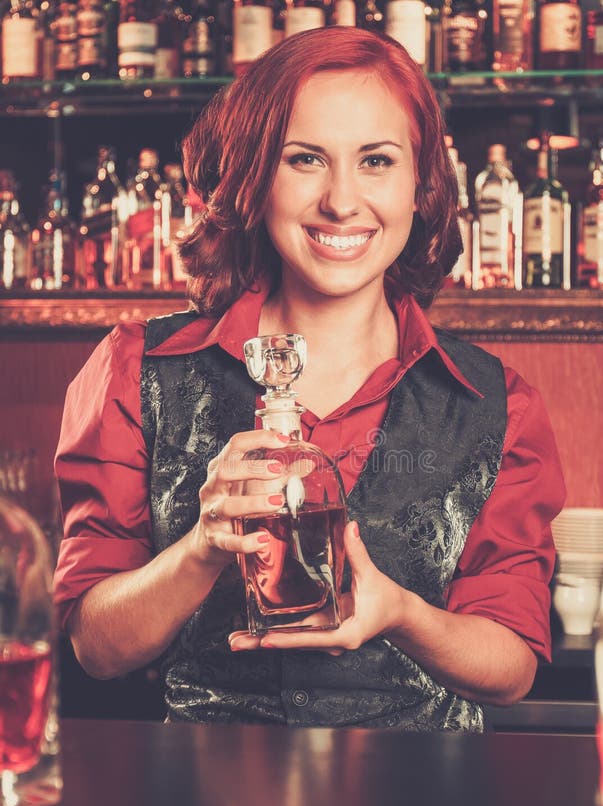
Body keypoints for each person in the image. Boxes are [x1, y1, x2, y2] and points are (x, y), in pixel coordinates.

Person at [54, 27, 566, 732]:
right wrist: (200, 548)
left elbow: (510, 667)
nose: (341, 201)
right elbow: (95, 648)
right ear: (255, 177)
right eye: (304, 160)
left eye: (376, 161)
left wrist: (403, 616)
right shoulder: (133, 367)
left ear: (421, 185)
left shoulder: (494, 402)